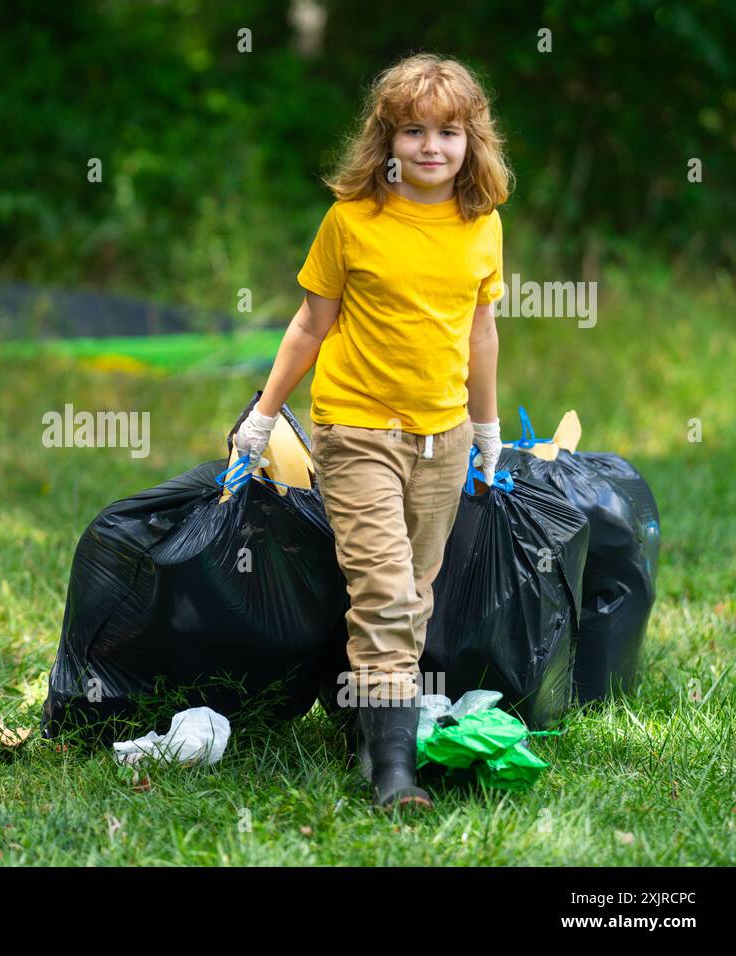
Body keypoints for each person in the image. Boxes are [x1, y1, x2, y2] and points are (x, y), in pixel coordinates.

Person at [233, 53, 512, 812]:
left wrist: (486, 430)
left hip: (444, 437)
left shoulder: (481, 226)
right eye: (414, 131)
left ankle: (368, 728)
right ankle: (394, 773)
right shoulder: (352, 222)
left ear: (471, 140)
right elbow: (308, 325)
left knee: (414, 593)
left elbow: (480, 333)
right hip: (357, 430)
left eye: (448, 132)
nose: (431, 146)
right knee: (387, 596)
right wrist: (263, 417)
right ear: (385, 142)